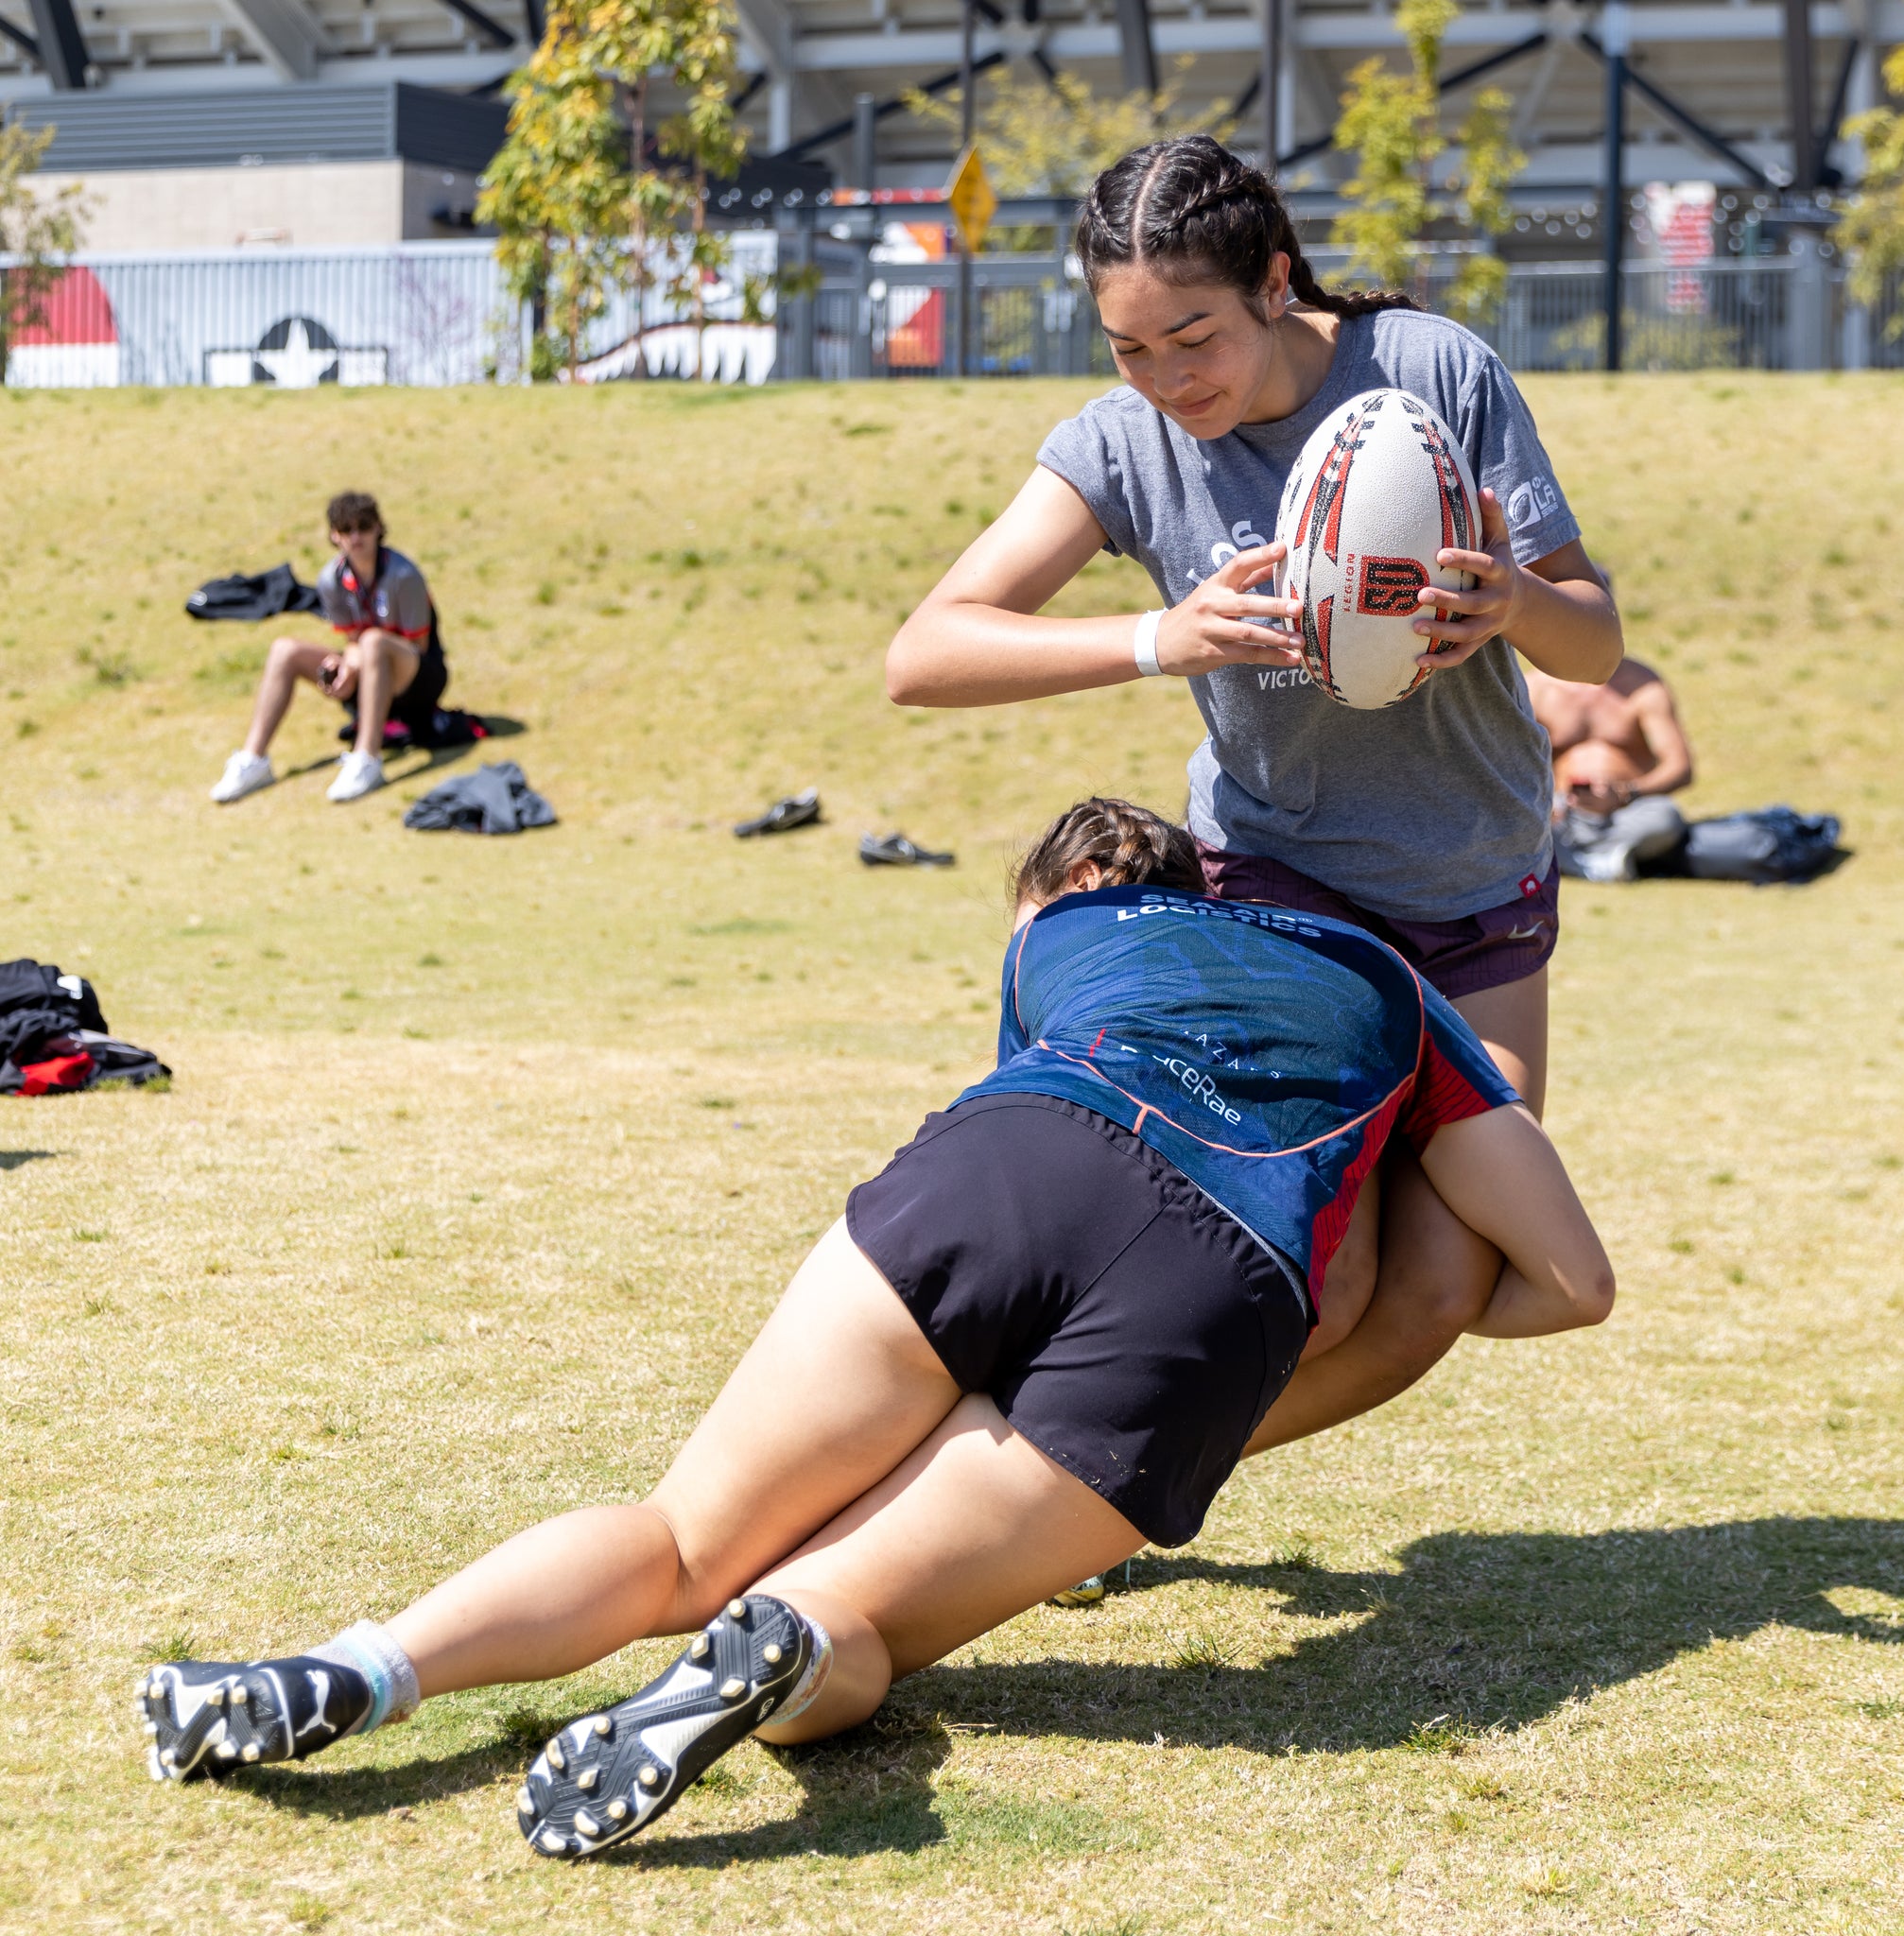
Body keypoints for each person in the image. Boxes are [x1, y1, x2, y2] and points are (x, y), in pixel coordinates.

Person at [136, 798, 1614, 1859]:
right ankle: (783, 1643)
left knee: (683, 1535)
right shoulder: (1382, 982)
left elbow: (1050, 1180)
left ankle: (355, 1671)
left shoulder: (1066, 942)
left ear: (1083, 876)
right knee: (842, 1616)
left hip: (1018, 1155)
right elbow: (1567, 1285)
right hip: (1217, 1282)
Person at [886, 134, 1624, 1451]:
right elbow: (925, 653)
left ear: (1276, 281)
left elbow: (1597, 641)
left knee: (1440, 1287)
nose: (1169, 381)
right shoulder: (1119, 447)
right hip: (1281, 890)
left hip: (1478, 896)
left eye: (1195, 338)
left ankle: (1089, 1468)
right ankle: (1048, 1479)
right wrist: (1159, 637)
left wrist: (1511, 604)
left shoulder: (1436, 373)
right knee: (1322, 1287)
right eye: (1131, 350)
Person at [209, 492, 448, 805]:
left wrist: (360, 658)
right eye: (346, 529)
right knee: (285, 650)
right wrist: (347, 668)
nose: (356, 536)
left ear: (378, 528)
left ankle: (367, 759)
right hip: (369, 669)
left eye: (363, 526)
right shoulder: (331, 580)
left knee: (374, 641)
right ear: (334, 535)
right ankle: (253, 760)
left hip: (418, 678)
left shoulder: (403, 576)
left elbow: (418, 645)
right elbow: (352, 641)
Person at [1524, 656, 1695, 882]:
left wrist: (1628, 793)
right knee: (1518, 820)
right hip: (1562, 814)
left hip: (1624, 813)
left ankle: (1575, 861)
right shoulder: (1536, 687)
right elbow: (1507, 762)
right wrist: (1544, 801)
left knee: (1665, 817)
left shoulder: (1643, 686)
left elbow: (1679, 767)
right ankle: (1607, 861)